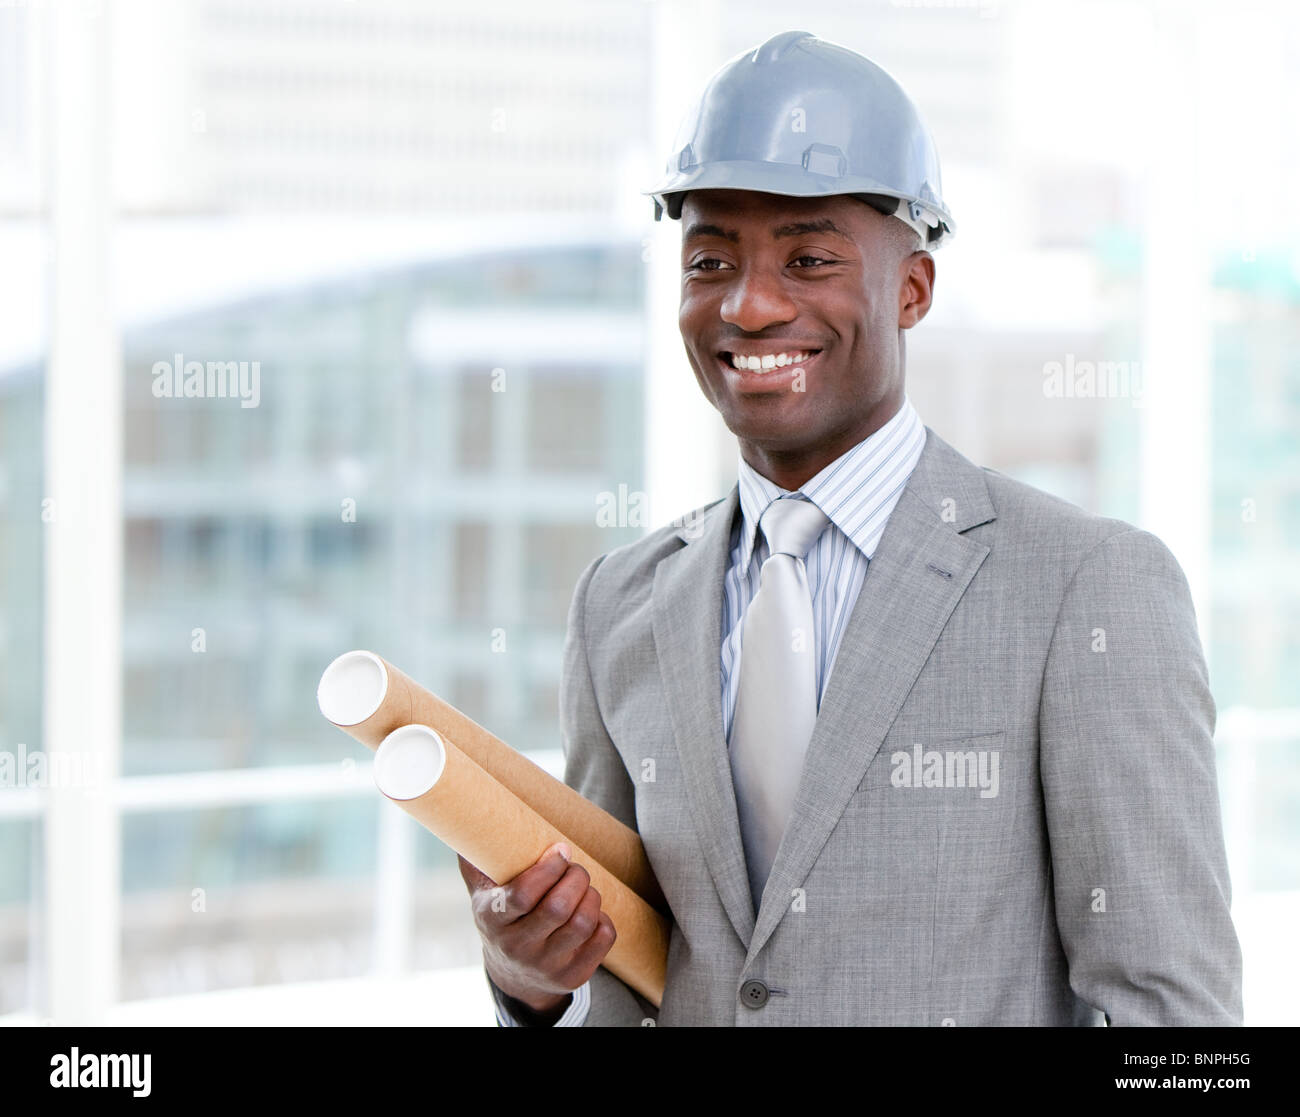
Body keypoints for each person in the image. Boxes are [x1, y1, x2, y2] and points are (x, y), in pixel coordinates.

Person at [458, 29, 1243, 1026]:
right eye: (710, 260)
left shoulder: (1084, 586)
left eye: (809, 256)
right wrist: (531, 981)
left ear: (912, 288)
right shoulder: (619, 603)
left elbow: (1182, 1029)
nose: (748, 303)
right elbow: (628, 982)